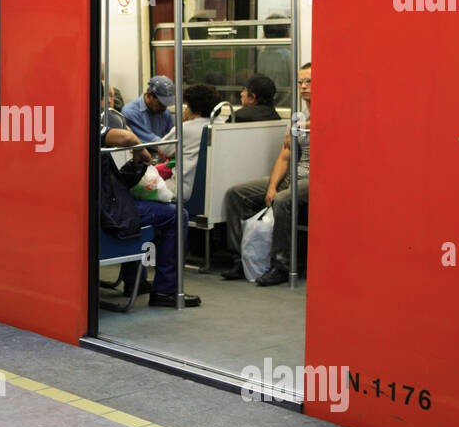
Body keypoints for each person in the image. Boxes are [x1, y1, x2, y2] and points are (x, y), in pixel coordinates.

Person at [100, 104, 200, 308]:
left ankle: (133, 281)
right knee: (176, 215)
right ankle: (166, 290)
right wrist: (140, 149)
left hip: (93, 204)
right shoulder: (86, 123)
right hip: (105, 209)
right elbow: (126, 138)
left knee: (132, 204)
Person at [221, 63, 311, 286]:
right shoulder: (299, 115)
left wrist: (304, 126)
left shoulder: (329, 114)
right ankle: (241, 258)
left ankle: (281, 265)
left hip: (316, 179)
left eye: (309, 81)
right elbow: (285, 155)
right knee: (236, 194)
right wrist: (272, 185)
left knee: (282, 200)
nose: (303, 86)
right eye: (300, 82)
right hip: (295, 173)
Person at [178, 83, 218, 204]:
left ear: (194, 108)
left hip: (184, 190)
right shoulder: (222, 124)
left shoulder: (185, 128)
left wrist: (184, 121)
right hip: (214, 190)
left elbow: (162, 148)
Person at [122, 75, 177, 155]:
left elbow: (172, 138)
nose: (164, 108)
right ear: (149, 95)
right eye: (161, 103)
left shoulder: (165, 112)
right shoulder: (130, 112)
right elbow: (153, 142)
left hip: (162, 154)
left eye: (166, 104)